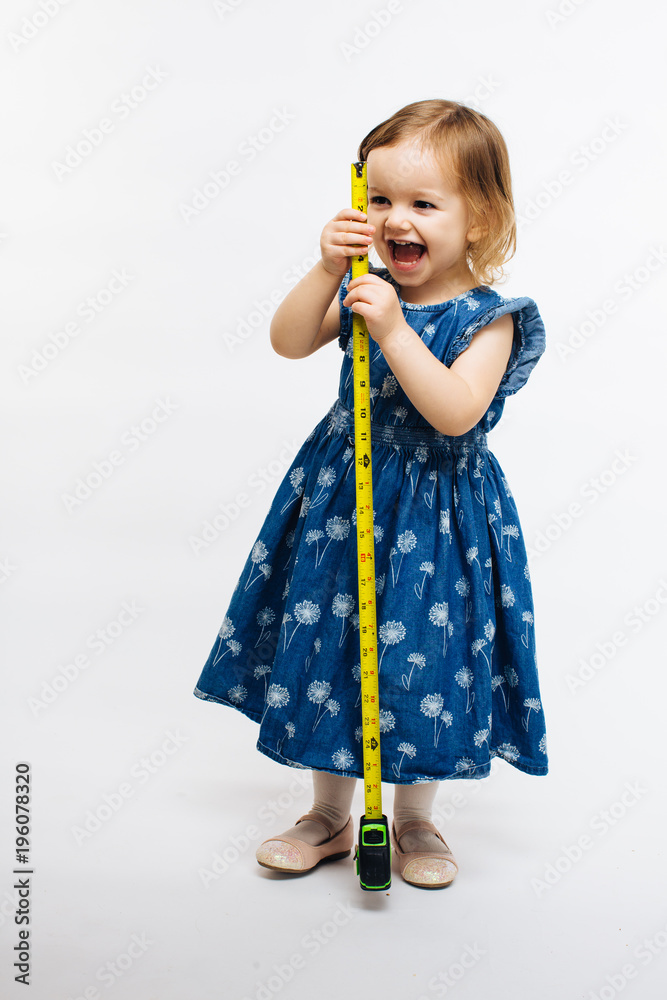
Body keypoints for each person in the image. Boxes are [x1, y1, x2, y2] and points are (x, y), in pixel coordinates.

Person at [193, 99, 549, 889]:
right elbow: (289, 341)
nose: (396, 219)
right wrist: (328, 271)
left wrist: (391, 330)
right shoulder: (364, 285)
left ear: (482, 216)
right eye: (380, 199)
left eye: (424, 203)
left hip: (438, 515)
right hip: (338, 502)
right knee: (331, 642)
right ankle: (326, 812)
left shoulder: (491, 320)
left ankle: (416, 820)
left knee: (424, 659)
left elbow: (455, 414)